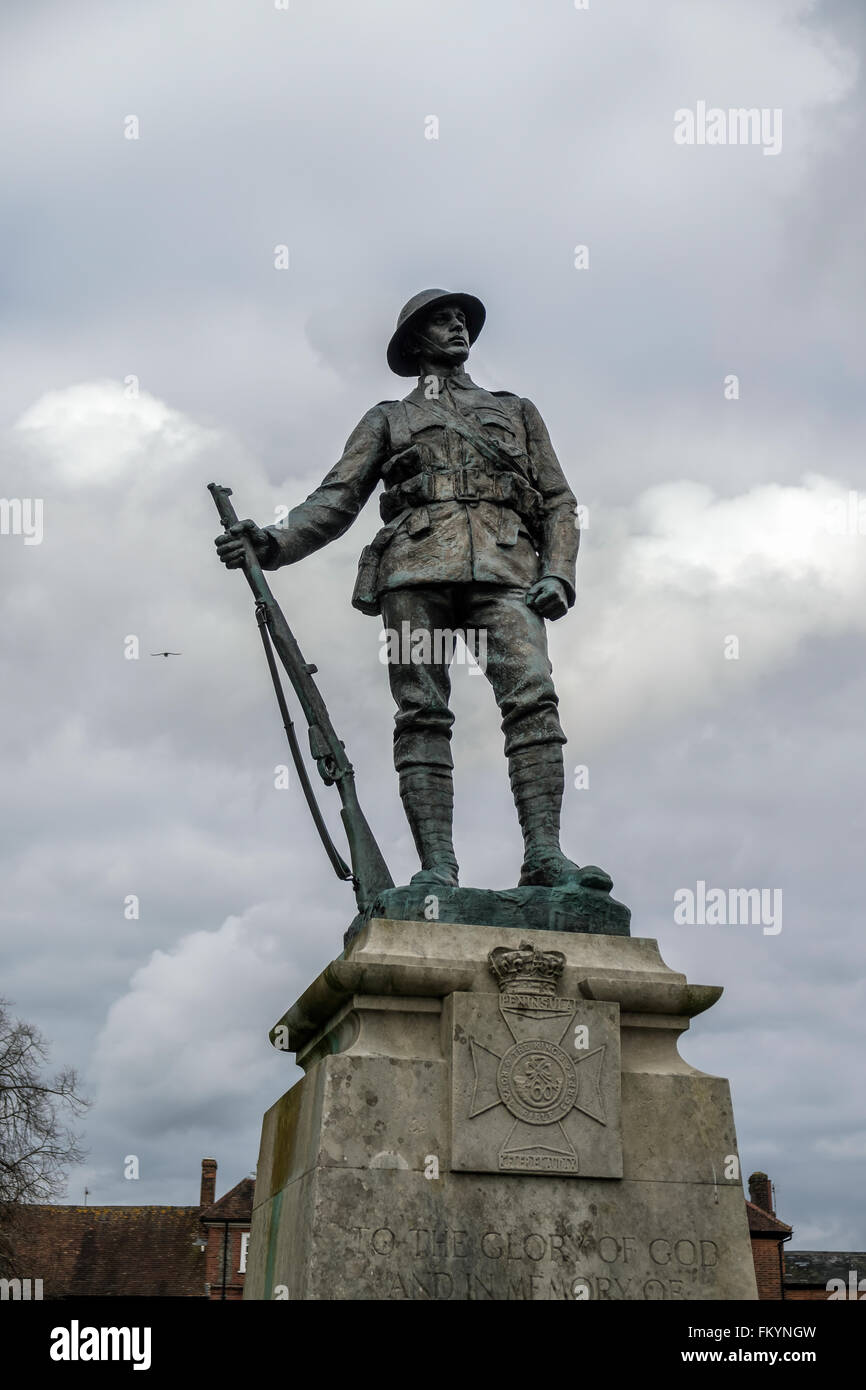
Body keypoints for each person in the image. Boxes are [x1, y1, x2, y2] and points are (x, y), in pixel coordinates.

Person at [216, 289, 611, 894]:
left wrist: (559, 570)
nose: (457, 326)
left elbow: (558, 499)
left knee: (533, 700)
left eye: (461, 320)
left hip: (507, 569)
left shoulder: (518, 411)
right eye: (441, 320)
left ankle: (545, 855)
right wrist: (269, 542)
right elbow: (335, 500)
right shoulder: (387, 419)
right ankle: (437, 869)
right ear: (414, 342)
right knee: (421, 713)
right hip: (413, 570)